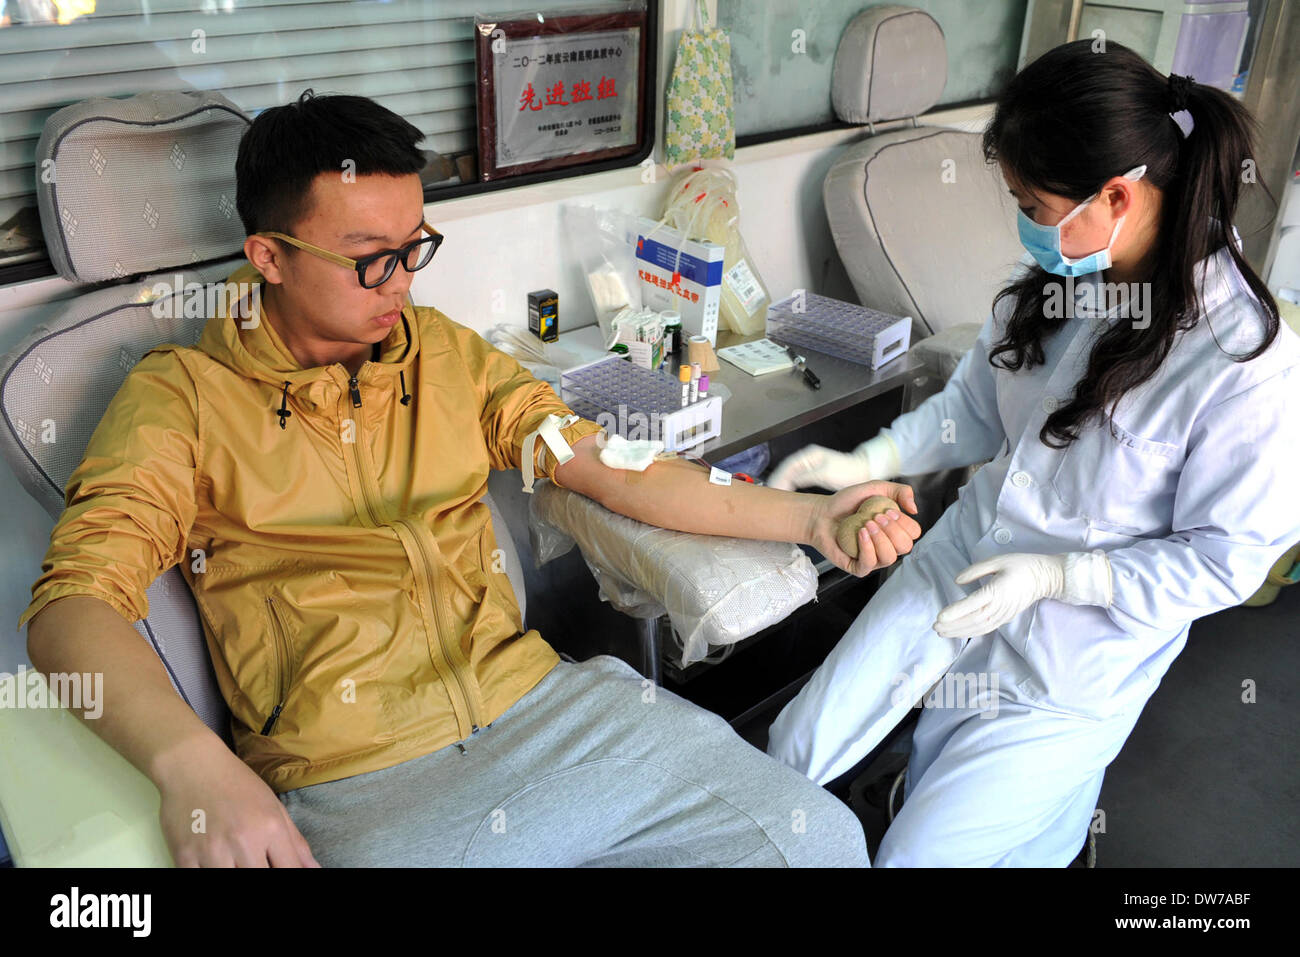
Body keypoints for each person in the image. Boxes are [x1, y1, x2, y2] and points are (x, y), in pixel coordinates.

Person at [19, 90, 925, 867]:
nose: (401, 283)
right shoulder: (181, 399)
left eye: (416, 246)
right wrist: (193, 764)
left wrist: (810, 519)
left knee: (815, 841)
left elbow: (610, 467)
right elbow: (73, 607)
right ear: (270, 259)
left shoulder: (442, 355)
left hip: (548, 710)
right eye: (372, 256)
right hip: (368, 782)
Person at [764, 40, 1300, 866]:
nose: (1025, 223)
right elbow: (977, 407)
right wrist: (867, 460)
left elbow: (1227, 561)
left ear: (1116, 195)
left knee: (923, 851)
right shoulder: (1068, 282)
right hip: (968, 561)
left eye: (1033, 204)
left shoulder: (1242, 363)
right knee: (792, 750)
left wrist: (1062, 575)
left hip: (1071, 655)